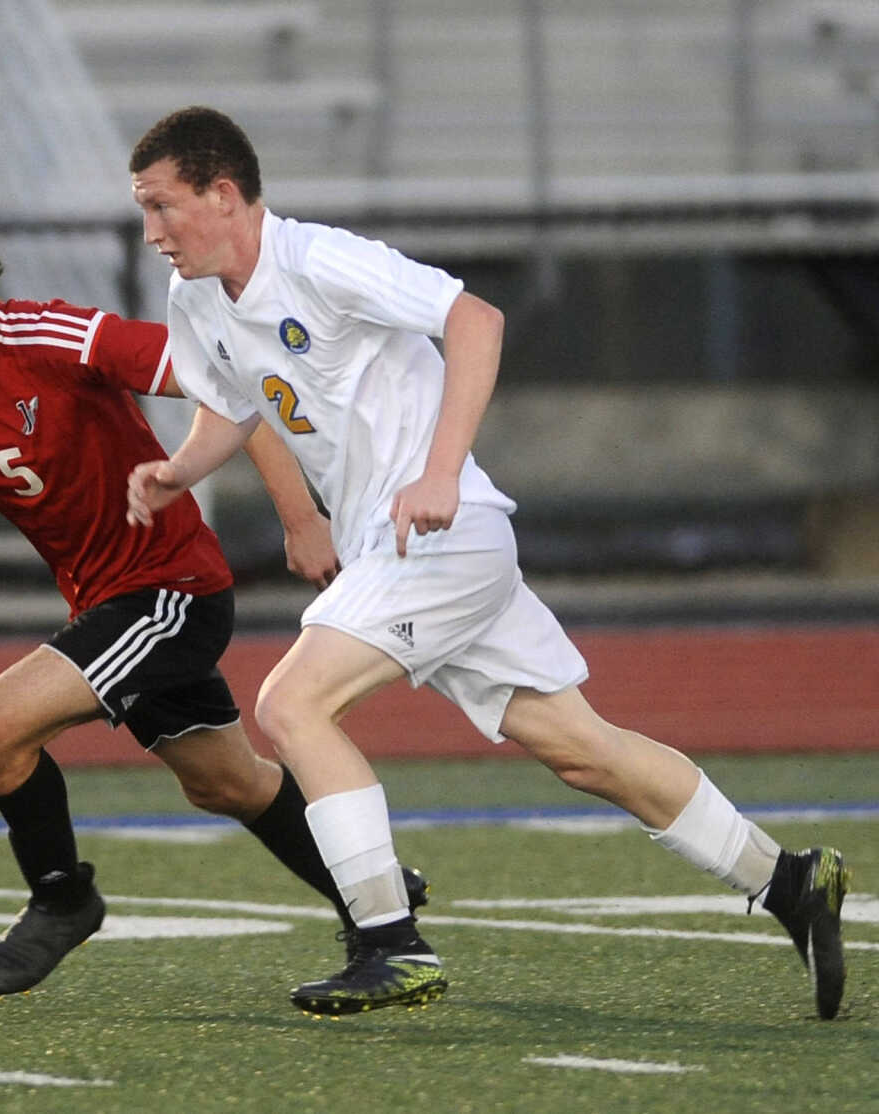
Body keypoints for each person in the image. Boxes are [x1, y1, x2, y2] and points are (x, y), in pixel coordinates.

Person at [123, 106, 852, 1020]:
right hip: (405, 553)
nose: (152, 232)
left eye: (162, 207)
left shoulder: (318, 259)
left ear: (222, 194)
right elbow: (237, 403)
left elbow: (475, 318)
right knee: (585, 752)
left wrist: (437, 472)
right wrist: (179, 469)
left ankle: (389, 941)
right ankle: (790, 882)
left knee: (290, 703)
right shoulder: (198, 301)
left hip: (443, 535)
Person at [0, 195, 428, 999]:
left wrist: (299, 519)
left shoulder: (52, 337)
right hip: (108, 604)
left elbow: (235, 380)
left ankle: (62, 898)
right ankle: (373, 895)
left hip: (170, 591)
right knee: (227, 783)